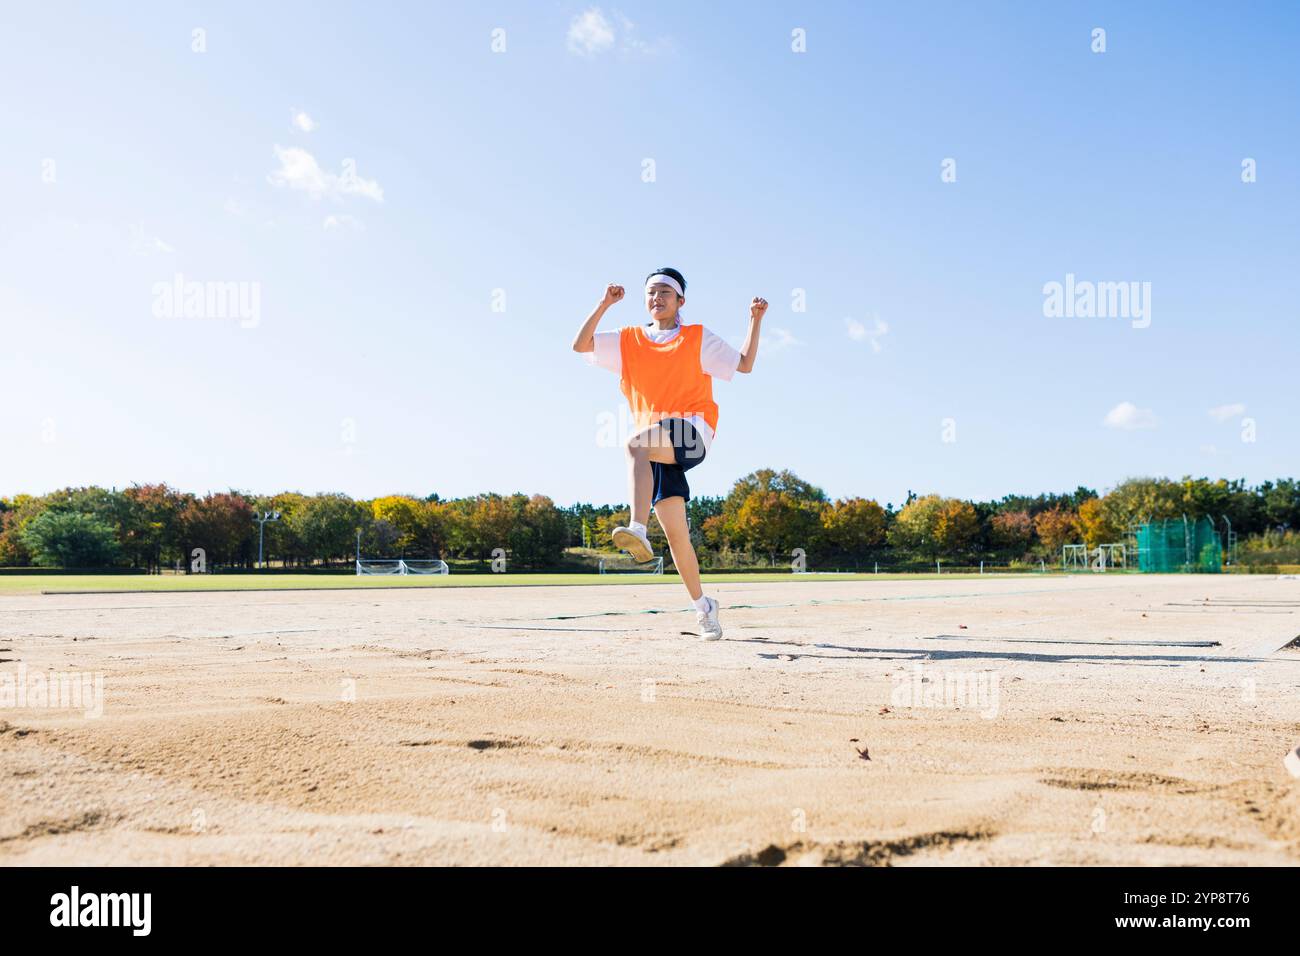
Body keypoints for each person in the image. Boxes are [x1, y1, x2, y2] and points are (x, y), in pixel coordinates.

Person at [572, 267, 766, 639]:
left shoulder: (696, 337)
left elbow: (744, 364)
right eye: (651, 292)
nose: (656, 298)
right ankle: (704, 608)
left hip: (692, 432)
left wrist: (754, 321)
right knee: (677, 536)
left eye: (664, 292)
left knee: (634, 444)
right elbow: (580, 345)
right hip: (656, 447)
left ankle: (637, 528)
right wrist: (604, 304)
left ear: (680, 301)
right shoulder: (629, 339)